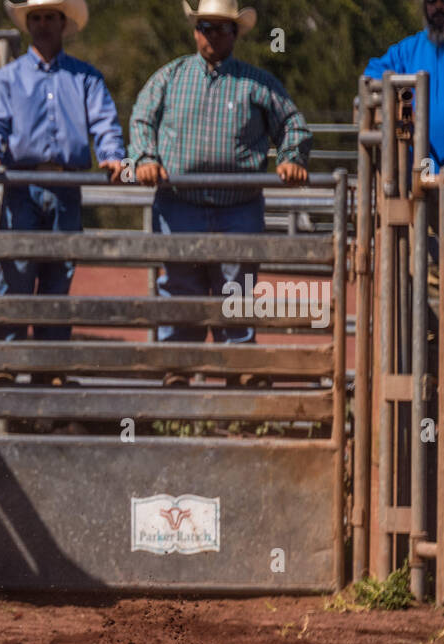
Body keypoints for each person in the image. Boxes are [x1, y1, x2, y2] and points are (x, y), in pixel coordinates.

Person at [129, 0, 311, 374]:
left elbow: (293, 122)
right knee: (181, 290)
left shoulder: (256, 83)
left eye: (221, 28)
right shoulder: (170, 77)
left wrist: (291, 157)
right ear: (196, 31)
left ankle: (239, 370)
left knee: (237, 290)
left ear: (235, 33)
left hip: (238, 206)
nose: (212, 34)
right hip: (180, 204)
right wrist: (146, 158)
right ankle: (178, 370)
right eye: (205, 26)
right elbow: (141, 118)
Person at [0, 0, 125, 344]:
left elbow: (104, 122)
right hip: (21, 184)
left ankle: (51, 362)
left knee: (59, 273)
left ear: (63, 23)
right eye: (37, 17)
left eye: (50, 17)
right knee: (15, 271)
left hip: (66, 185)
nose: (43, 24)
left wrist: (113, 155)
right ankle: (6, 360)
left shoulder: (85, 77)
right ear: (29, 24)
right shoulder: (8, 78)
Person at [365, 0, 444, 233]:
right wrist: (395, 102)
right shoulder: (411, 50)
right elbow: (372, 76)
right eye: (430, 2)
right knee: (427, 267)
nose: (438, 8)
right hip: (424, 184)